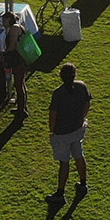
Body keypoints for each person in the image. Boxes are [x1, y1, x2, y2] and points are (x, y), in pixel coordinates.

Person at [46, 63, 92, 204]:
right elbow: (87, 104)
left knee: (64, 162)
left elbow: (53, 115)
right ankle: (83, 184)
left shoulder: (58, 93)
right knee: (79, 155)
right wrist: (82, 118)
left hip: (62, 134)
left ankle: (60, 194)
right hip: (77, 130)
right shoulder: (81, 86)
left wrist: (53, 131)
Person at [2, 12, 29, 120]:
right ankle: (23, 106)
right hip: (22, 59)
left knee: (18, 85)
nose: (3, 23)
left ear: (9, 19)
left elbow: (12, 46)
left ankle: (21, 110)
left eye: (4, 20)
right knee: (21, 83)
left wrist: (4, 55)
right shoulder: (18, 26)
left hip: (18, 61)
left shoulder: (13, 29)